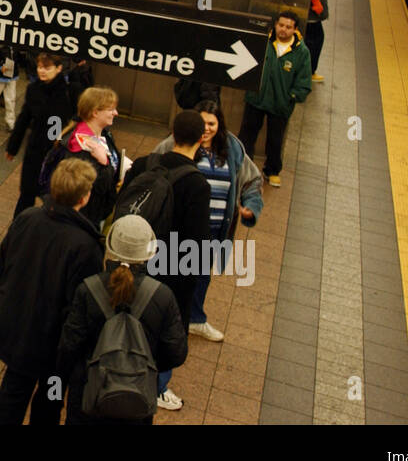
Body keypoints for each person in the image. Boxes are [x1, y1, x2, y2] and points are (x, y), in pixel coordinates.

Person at [0, 157, 103, 425]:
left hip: (19, 332)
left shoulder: (27, 219)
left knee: (11, 398)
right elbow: (80, 306)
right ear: (84, 198)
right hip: (55, 350)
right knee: (49, 403)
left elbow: (3, 266)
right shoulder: (85, 246)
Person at [119, 110, 211, 412]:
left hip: (133, 259)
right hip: (169, 271)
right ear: (201, 139)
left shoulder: (146, 163)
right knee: (159, 335)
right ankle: (154, 389)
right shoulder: (197, 184)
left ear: (172, 133)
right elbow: (194, 246)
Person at [57, 215, 188, 425]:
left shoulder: (87, 290)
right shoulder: (162, 296)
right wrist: (146, 363)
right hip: (137, 400)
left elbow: (68, 347)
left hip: (88, 396)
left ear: (109, 247)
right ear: (150, 251)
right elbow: (176, 353)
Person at [152, 100, 263, 342]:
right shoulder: (176, 142)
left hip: (213, 230)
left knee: (201, 275)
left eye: (212, 124)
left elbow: (252, 180)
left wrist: (251, 208)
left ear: (220, 124)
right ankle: (161, 319)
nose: (206, 129)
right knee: (168, 272)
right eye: (202, 123)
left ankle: (195, 319)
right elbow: (153, 166)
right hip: (177, 227)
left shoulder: (233, 148)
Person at [238, 10, 313, 188]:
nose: (283, 30)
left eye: (288, 27)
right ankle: (242, 166)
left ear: (295, 30)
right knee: (247, 134)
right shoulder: (262, 41)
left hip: (280, 104)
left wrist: (291, 97)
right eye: (281, 25)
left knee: (275, 139)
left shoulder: (301, 52)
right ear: (275, 25)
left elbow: (304, 81)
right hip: (256, 98)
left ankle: (272, 171)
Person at [6, 53, 74, 215]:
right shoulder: (34, 89)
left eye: (47, 68)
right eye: (39, 67)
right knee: (27, 193)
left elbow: (57, 124)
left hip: (53, 150)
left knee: (50, 195)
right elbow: (24, 118)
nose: (42, 71)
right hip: (35, 148)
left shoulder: (65, 93)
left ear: (58, 69)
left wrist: (52, 149)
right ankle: (20, 227)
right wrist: (12, 147)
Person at [66, 86, 124, 225]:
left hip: (98, 212)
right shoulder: (81, 147)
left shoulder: (104, 134)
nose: (115, 113)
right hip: (87, 217)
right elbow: (98, 186)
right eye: (110, 110)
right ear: (95, 113)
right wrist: (105, 163)